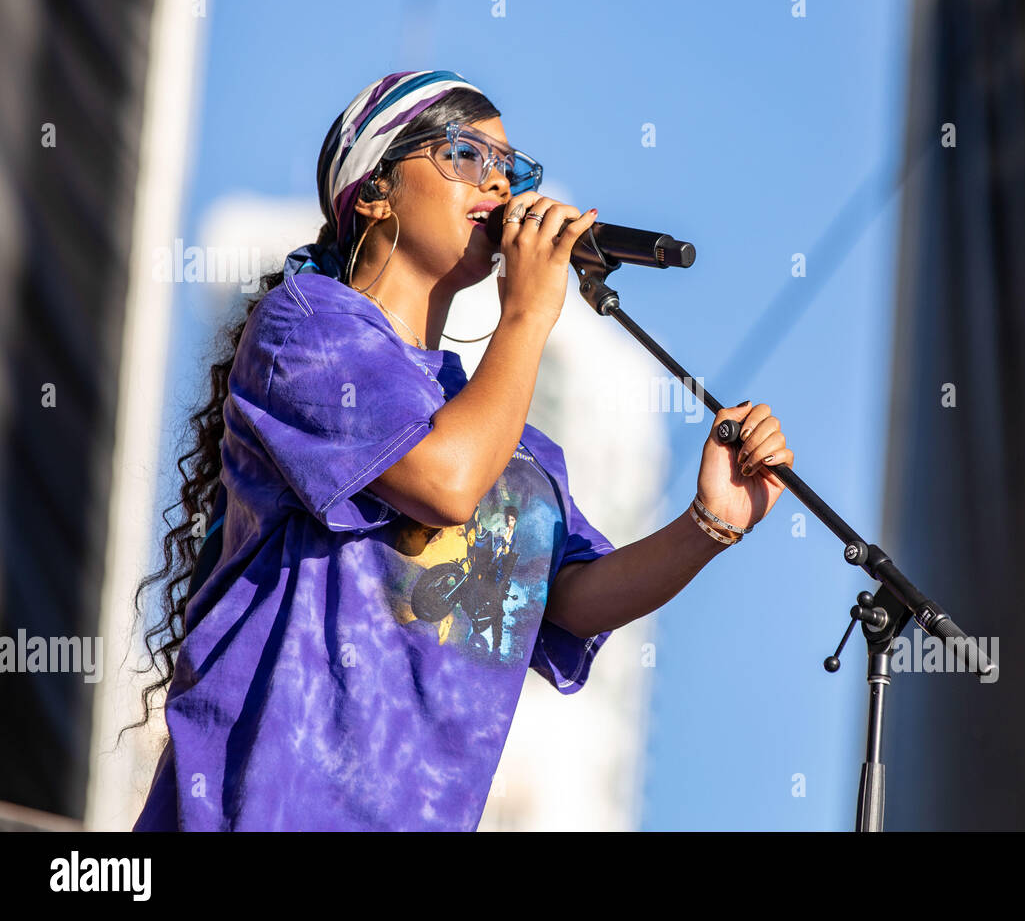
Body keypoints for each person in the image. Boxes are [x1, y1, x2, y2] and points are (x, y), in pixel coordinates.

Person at [127, 70, 796, 830]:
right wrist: (530, 315)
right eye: (465, 154)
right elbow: (445, 483)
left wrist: (709, 524)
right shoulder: (306, 331)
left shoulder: (506, 441)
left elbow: (570, 604)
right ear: (375, 189)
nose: (499, 183)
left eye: (509, 166)